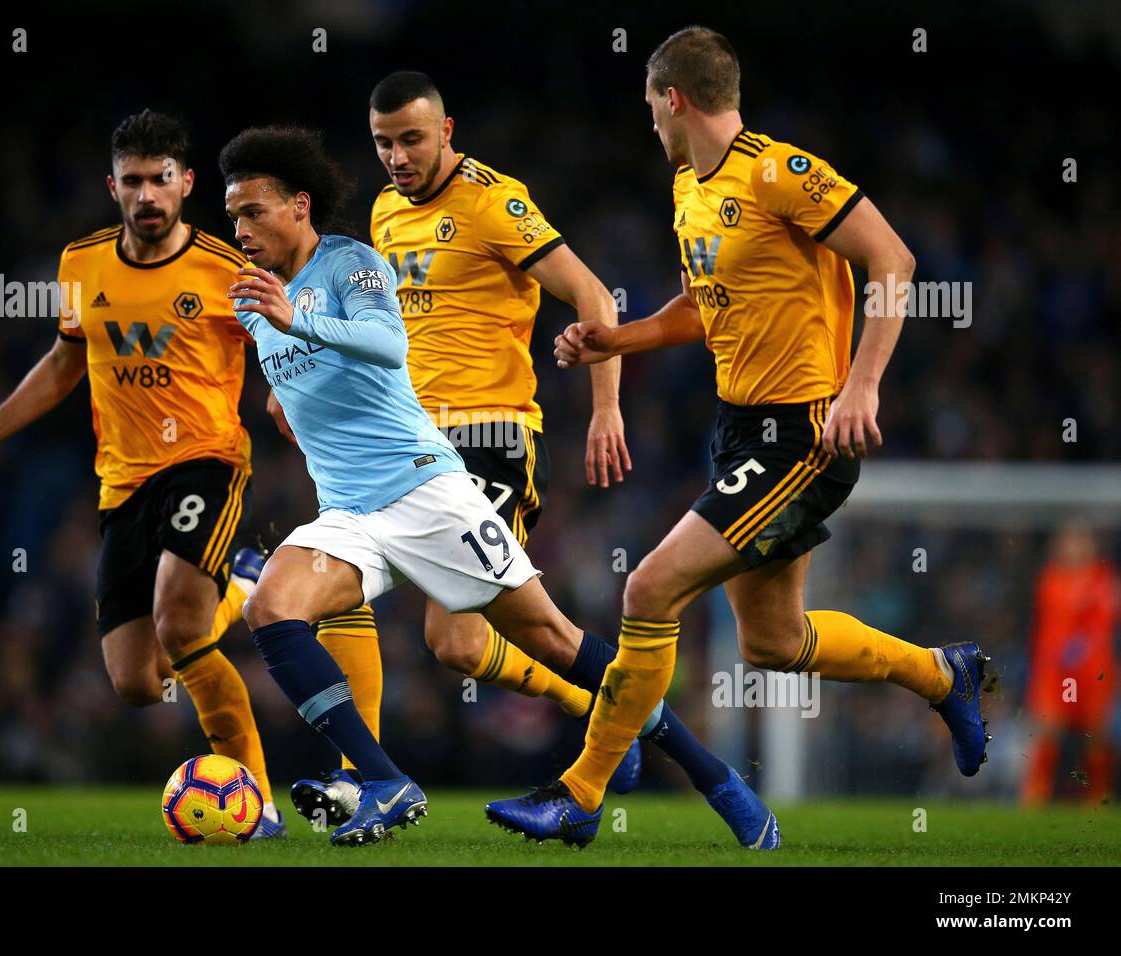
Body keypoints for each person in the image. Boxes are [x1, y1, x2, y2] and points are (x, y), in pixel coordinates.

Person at [489, 25, 992, 844]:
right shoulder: (691, 187)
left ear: (674, 99)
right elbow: (704, 307)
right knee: (773, 641)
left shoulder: (778, 171)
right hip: (739, 430)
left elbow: (892, 260)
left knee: (648, 589)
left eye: (651, 107)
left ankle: (579, 796)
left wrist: (861, 384)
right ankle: (943, 673)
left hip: (802, 436)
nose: (650, 124)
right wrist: (620, 340)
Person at [222, 123, 778, 848]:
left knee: (555, 641)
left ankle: (714, 777)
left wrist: (300, 320)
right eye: (232, 216)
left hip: (427, 493)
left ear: (299, 205)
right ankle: (382, 780)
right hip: (350, 514)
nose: (240, 229)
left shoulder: (350, 264)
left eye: (253, 211)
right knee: (273, 607)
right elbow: (309, 378)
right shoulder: (251, 299)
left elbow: (388, 344)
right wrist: (284, 394)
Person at [271, 70, 642, 824]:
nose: (398, 156)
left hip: (490, 433)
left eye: (412, 139)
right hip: (403, 441)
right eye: (383, 143)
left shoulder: (492, 202)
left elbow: (595, 295)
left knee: (456, 633)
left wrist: (607, 410)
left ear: (446, 131)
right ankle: (362, 777)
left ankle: (608, 716)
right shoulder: (383, 209)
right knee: (428, 637)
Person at [0, 110, 284, 836]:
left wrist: (285, 389)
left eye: (160, 180)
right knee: (136, 683)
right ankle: (243, 584)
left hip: (206, 461)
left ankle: (259, 804)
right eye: (133, 181)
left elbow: (282, 344)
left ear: (185, 183)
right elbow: (65, 362)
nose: (147, 195)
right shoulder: (80, 264)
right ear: (111, 186)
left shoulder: (226, 271)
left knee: (181, 628)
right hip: (122, 483)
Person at [1023, 524, 1118, 804]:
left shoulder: (1104, 579)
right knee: (1047, 728)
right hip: (1054, 670)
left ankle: (1098, 794)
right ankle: (1035, 794)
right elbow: (1047, 626)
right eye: (1068, 542)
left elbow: (1105, 622)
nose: (1073, 548)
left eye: (1079, 542)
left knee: (1096, 733)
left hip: (1093, 670)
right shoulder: (1051, 579)